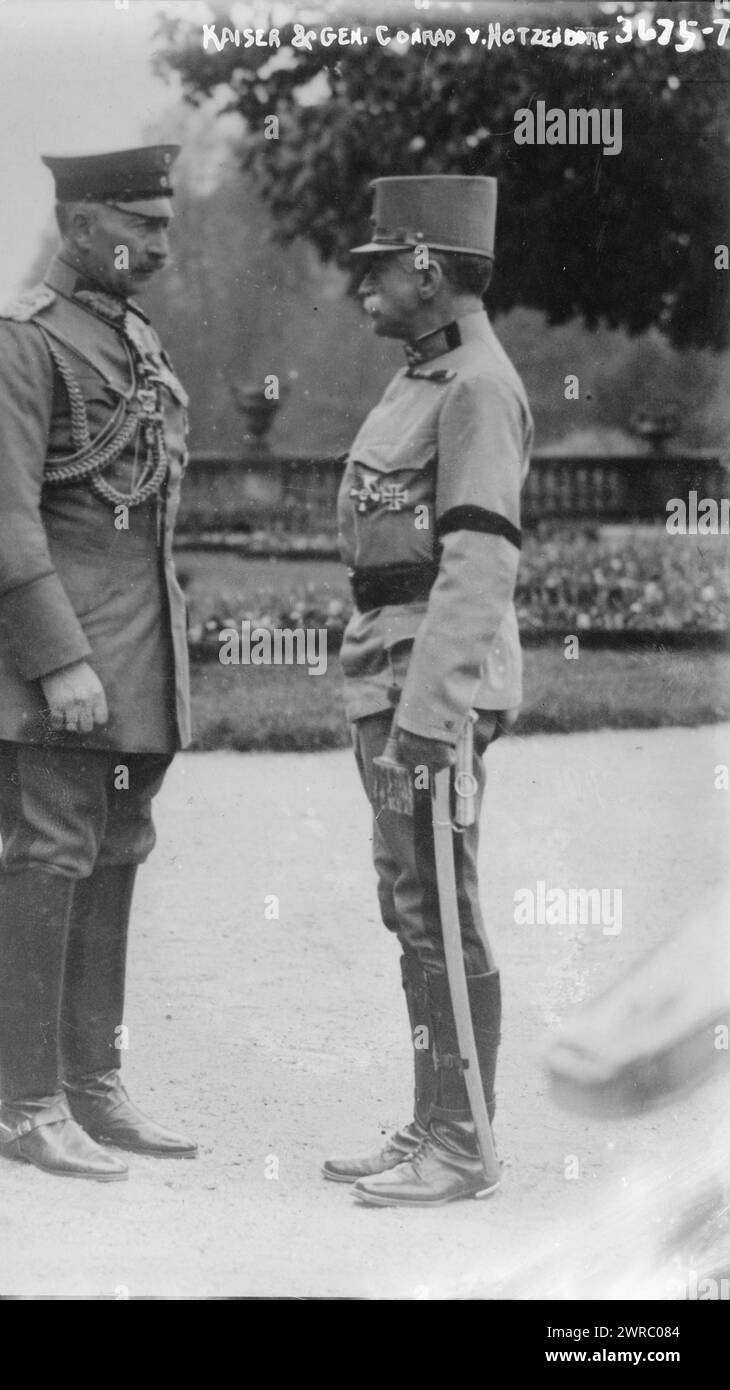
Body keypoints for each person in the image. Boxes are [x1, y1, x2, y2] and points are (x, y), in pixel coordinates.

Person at [0, 145, 196, 1180]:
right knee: (47, 856)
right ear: (80, 224)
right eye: (138, 222)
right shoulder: (18, 345)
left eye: (163, 222)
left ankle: (91, 1086)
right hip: (62, 669)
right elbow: (3, 520)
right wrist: (60, 660)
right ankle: (26, 1107)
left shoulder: (132, 339)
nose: (157, 241)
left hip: (136, 665)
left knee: (113, 855)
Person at [323, 175, 533, 1206]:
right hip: (388, 660)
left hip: (424, 676)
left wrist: (430, 712)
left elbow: (480, 561)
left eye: (375, 269)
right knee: (410, 899)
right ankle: (432, 1120)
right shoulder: (424, 377)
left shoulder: (476, 387)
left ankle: (462, 1141)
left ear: (425, 268)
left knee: (440, 900)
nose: (360, 288)